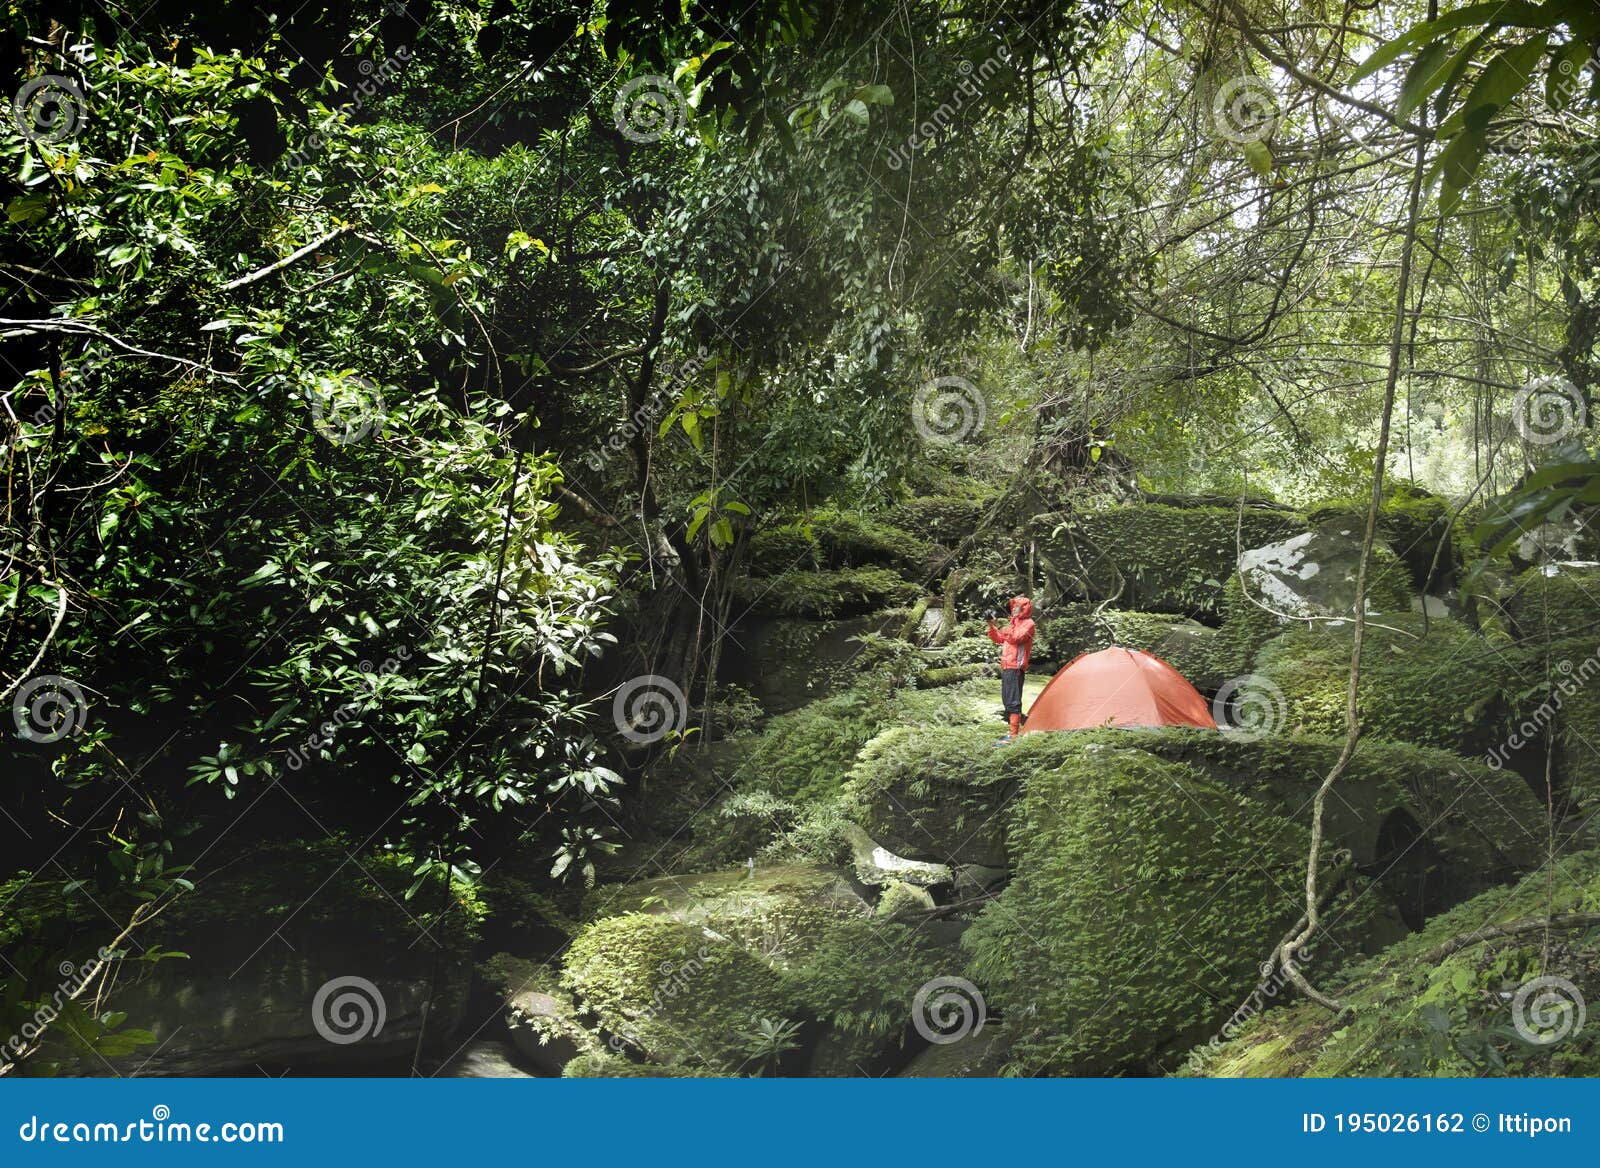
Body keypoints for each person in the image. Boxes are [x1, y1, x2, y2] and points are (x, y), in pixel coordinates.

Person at [987, 595, 1035, 743]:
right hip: (1007, 666)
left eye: (1017, 607)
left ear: (1024, 608)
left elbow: (1015, 638)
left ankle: (1014, 735)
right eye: (1013, 606)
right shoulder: (1013, 623)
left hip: (1016, 667)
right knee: (1007, 700)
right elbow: (999, 639)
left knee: (1013, 701)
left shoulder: (1029, 624)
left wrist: (1003, 629)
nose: (1013, 609)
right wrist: (991, 625)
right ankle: (1017, 730)